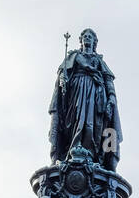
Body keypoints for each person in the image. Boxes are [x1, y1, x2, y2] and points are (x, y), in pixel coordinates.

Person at [48, 28, 122, 170]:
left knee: (92, 125)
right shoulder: (74, 56)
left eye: (90, 37)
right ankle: (71, 151)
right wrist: (63, 79)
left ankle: (91, 155)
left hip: (95, 96)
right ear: (81, 41)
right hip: (76, 93)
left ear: (94, 42)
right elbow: (63, 74)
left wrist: (111, 98)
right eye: (85, 36)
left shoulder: (99, 61)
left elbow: (108, 81)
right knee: (76, 120)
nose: (87, 38)